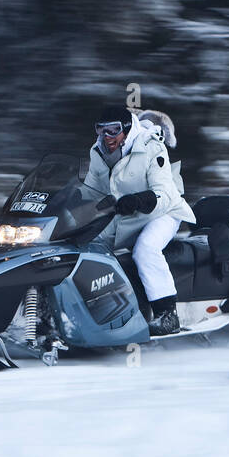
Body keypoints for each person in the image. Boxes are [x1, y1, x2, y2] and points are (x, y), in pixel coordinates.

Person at [84, 105, 195, 335]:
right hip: (124, 217)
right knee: (87, 249)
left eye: (113, 130)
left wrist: (139, 200)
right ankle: (92, 315)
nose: (107, 137)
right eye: (101, 130)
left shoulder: (151, 146)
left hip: (163, 213)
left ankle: (167, 314)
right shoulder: (97, 152)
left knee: (145, 249)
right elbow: (89, 191)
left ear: (126, 129)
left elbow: (165, 193)